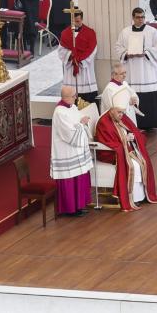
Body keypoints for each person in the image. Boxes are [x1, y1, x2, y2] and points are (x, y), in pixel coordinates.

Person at [94, 92, 157, 211]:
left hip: (127, 149)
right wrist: (125, 139)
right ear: (112, 109)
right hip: (110, 154)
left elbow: (134, 130)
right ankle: (132, 198)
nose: (121, 115)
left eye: (123, 112)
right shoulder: (104, 122)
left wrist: (133, 137)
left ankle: (142, 195)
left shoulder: (120, 116)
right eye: (119, 112)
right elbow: (108, 142)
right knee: (134, 165)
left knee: (143, 161)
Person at [113, 8, 157, 131]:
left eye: (142, 17)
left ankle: (149, 124)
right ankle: (134, 124)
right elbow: (118, 47)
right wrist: (126, 54)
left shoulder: (152, 31)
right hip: (131, 70)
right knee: (133, 96)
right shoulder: (125, 32)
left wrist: (146, 53)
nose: (140, 19)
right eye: (138, 17)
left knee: (148, 98)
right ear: (133, 18)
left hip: (147, 71)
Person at [50, 86, 93, 218]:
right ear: (66, 97)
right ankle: (69, 209)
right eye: (74, 96)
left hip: (76, 151)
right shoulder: (59, 112)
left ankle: (79, 206)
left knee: (79, 177)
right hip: (66, 151)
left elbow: (78, 121)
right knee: (70, 179)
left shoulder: (72, 107)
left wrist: (82, 121)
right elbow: (69, 133)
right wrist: (82, 123)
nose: (76, 98)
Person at [58, 10, 99, 105]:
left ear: (82, 19)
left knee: (87, 101)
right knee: (71, 95)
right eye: (74, 21)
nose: (76, 23)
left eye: (78, 21)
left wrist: (79, 60)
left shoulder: (90, 32)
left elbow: (92, 50)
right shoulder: (65, 33)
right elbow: (61, 50)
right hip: (71, 69)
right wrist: (70, 56)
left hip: (84, 68)